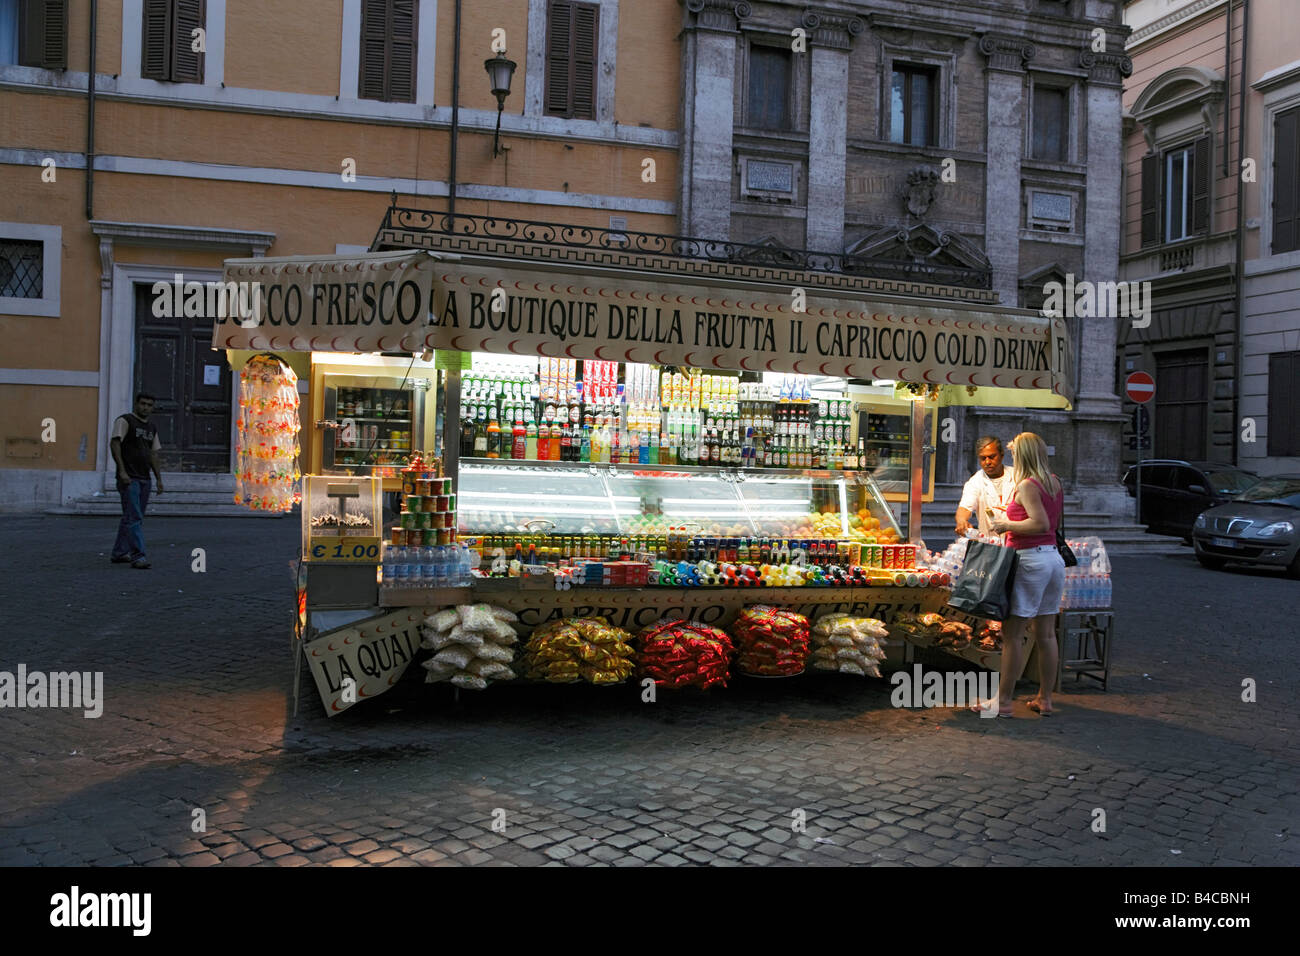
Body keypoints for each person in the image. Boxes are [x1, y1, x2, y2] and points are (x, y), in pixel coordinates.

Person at [979, 432, 1065, 718]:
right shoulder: (1054, 481)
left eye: (1014, 452)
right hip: (1052, 560)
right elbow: (1048, 521)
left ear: (1022, 455)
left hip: (1030, 560)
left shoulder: (1027, 485)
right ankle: (1045, 699)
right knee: (1046, 634)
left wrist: (1006, 523)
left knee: (1012, 634)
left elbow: (1039, 523)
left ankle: (1002, 703)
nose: (1012, 456)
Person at [110, 393, 164, 569]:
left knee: (132, 517)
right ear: (136, 404)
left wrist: (158, 478)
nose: (145, 407)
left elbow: (153, 454)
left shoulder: (151, 428)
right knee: (134, 517)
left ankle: (119, 552)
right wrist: (122, 471)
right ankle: (138, 556)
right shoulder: (125, 421)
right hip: (129, 478)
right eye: (143, 404)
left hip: (144, 478)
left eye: (149, 405)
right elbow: (115, 444)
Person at [954, 436, 1015, 539]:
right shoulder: (975, 482)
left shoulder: (1017, 476)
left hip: (1018, 542)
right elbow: (965, 507)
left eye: (992, 457)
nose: (987, 462)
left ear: (1002, 455)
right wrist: (962, 521)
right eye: (983, 458)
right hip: (990, 543)